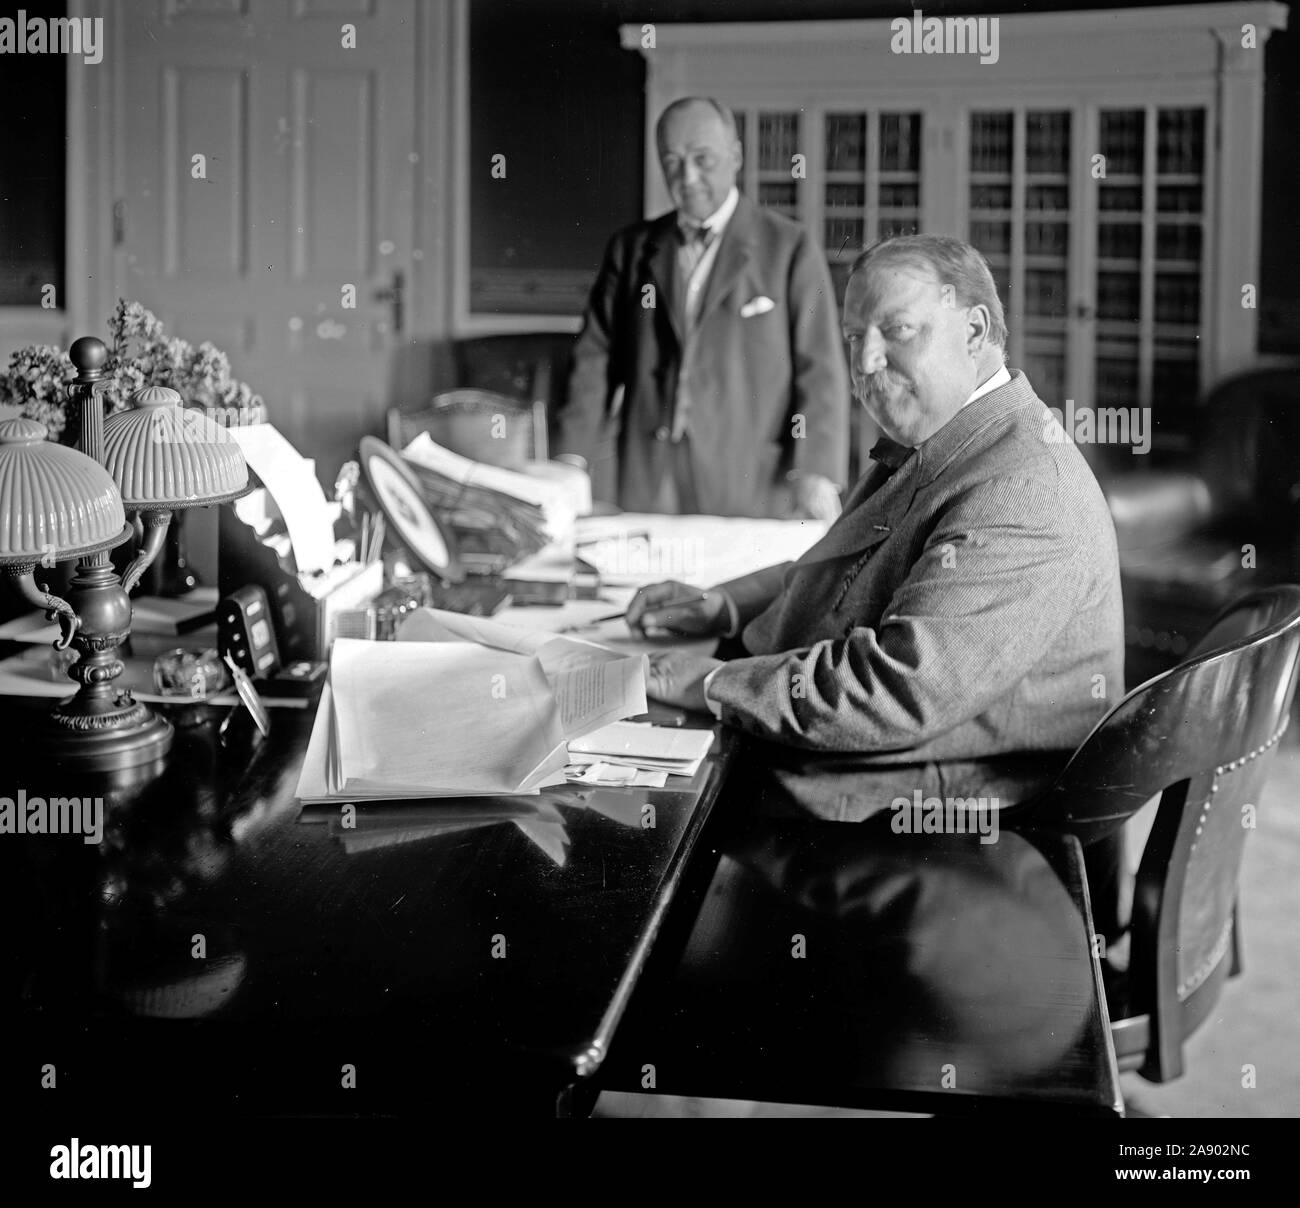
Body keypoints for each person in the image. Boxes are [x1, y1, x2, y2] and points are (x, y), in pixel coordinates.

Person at [628, 233, 1126, 823]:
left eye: (897, 331)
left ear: (974, 331)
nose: (865, 361)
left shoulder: (1024, 491)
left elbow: (896, 692)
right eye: (854, 337)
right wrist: (724, 606)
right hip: (886, 767)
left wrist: (714, 685)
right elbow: (852, 567)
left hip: (937, 820)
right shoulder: (952, 433)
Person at [555, 96, 849, 520]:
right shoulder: (631, 249)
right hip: (649, 480)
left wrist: (817, 472)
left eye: (702, 159)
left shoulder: (789, 247)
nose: (687, 177)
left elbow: (819, 368)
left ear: (736, 156)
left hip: (747, 481)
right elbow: (594, 360)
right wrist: (571, 458)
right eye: (672, 162)